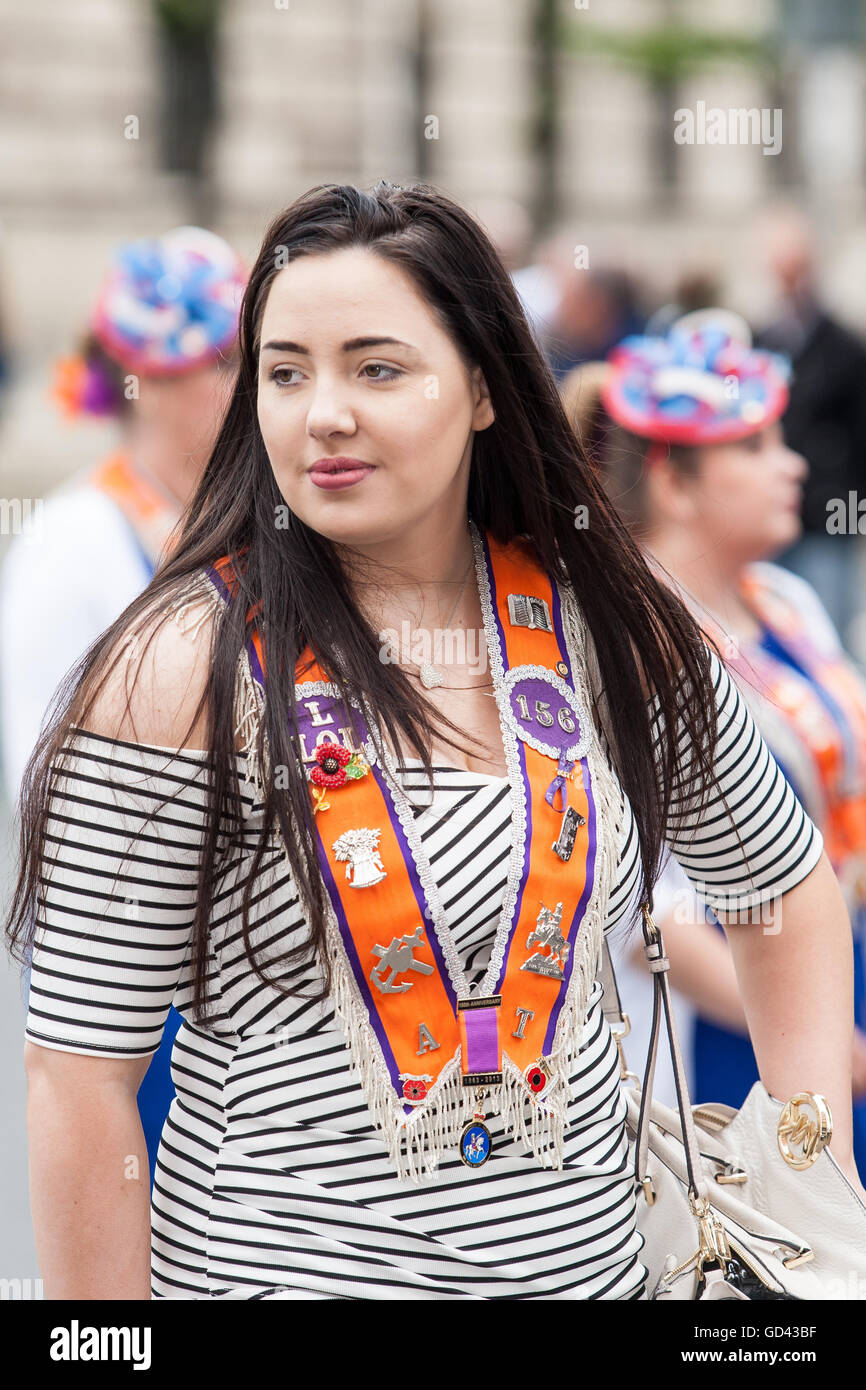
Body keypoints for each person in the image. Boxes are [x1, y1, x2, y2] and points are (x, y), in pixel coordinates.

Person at [6, 182, 862, 1302]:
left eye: (375, 367)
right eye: (283, 371)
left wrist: (805, 1173)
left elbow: (779, 885)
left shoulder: (602, 624)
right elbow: (80, 1080)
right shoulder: (175, 669)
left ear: (482, 392)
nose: (321, 413)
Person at [561, 310, 866, 1173]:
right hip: (732, 1020)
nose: (794, 463)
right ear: (674, 479)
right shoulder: (622, 640)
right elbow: (638, 900)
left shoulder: (787, 602)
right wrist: (813, 1031)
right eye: (758, 445)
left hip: (824, 965)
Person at [0, 225, 245, 1184]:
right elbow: (47, 783)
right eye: (224, 361)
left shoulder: (239, 523)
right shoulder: (74, 539)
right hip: (151, 968)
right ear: (148, 377)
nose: (248, 386)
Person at [755, 206, 866, 654]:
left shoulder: (843, 346)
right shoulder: (764, 338)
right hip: (770, 518)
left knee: (828, 640)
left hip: (826, 517)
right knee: (773, 639)